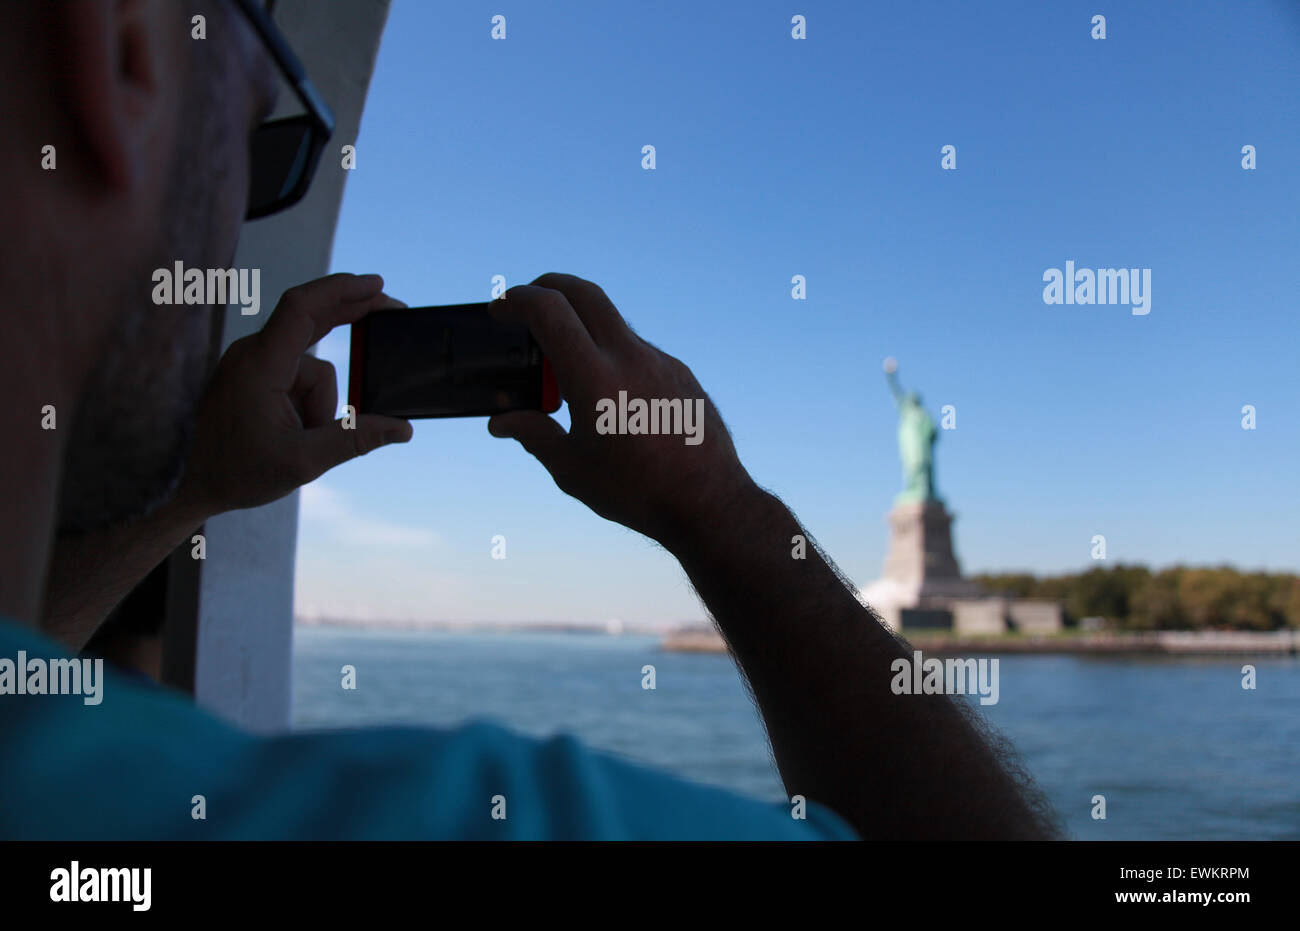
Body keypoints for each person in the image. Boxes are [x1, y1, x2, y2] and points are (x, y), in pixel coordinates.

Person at [0, 0, 1060, 840]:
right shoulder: (489, 816)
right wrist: (716, 507)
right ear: (127, 44)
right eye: (274, 143)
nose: (247, 210)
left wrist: (198, 488)